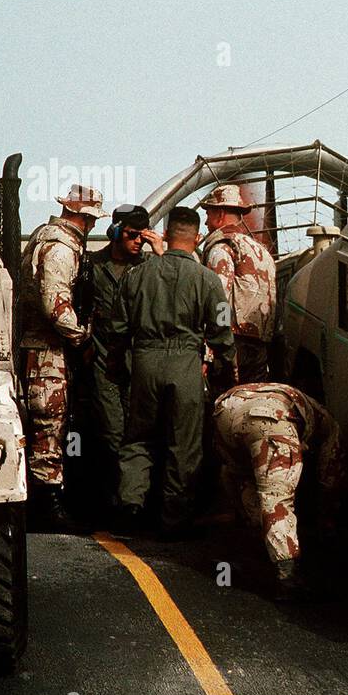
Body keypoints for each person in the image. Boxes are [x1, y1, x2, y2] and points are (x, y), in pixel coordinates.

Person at [110, 207, 235, 535]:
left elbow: (118, 328)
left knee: (138, 439)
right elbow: (222, 329)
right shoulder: (207, 279)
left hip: (145, 362)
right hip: (185, 365)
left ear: (164, 235)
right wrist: (225, 363)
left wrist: (120, 367)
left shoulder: (135, 275)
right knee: (184, 444)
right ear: (196, 238)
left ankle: (130, 508)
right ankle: (173, 521)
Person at [16, 183, 108, 529]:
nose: (93, 226)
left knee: (48, 423)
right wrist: (82, 339)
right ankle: (47, 503)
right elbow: (56, 306)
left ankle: (46, 498)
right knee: (49, 424)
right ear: (83, 216)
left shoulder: (46, 238)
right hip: (47, 350)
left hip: (41, 347)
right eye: (91, 219)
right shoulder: (59, 247)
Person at [212, 382, 344, 599]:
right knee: (276, 499)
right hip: (271, 418)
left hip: (226, 410)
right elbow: (330, 473)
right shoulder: (327, 425)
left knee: (242, 477)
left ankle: (255, 535)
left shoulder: (294, 397)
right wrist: (327, 514)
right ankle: (287, 576)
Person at [82, 205, 163, 509]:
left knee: (140, 431)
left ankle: (135, 500)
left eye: (141, 237)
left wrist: (159, 251)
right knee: (112, 431)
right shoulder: (92, 265)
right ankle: (115, 500)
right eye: (131, 235)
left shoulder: (148, 264)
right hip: (104, 359)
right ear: (115, 232)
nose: (137, 242)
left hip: (139, 360)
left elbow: (179, 277)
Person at [198, 184, 277, 383]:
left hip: (232, 346)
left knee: (226, 405)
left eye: (208, 214)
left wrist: (208, 352)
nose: (206, 222)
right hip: (260, 347)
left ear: (220, 213)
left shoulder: (222, 248)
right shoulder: (260, 251)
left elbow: (220, 300)